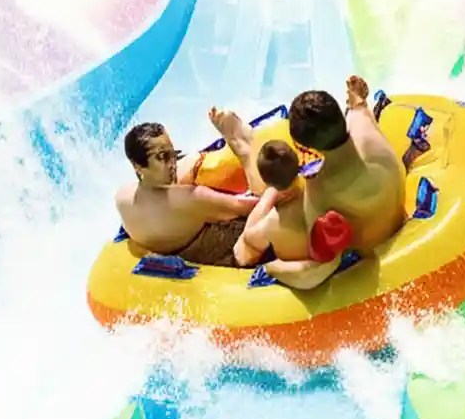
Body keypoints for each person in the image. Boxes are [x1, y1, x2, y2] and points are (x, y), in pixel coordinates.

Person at [260, 76, 407, 289]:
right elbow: (358, 110)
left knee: (280, 216)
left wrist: (270, 268)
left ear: (306, 148)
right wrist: (357, 100)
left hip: (374, 252)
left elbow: (320, 267)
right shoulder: (367, 133)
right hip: (398, 216)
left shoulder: (320, 191)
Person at [115, 110, 262, 266]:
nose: (172, 163)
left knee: (192, 163)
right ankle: (242, 147)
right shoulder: (191, 198)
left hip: (175, 243)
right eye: (162, 157)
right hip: (215, 250)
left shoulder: (122, 197)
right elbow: (252, 207)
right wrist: (244, 155)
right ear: (138, 165)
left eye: (173, 154)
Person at [232, 140, 311, 267]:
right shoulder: (317, 184)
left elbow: (241, 257)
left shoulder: (269, 225)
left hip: (295, 261)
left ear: (265, 180)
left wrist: (267, 198)